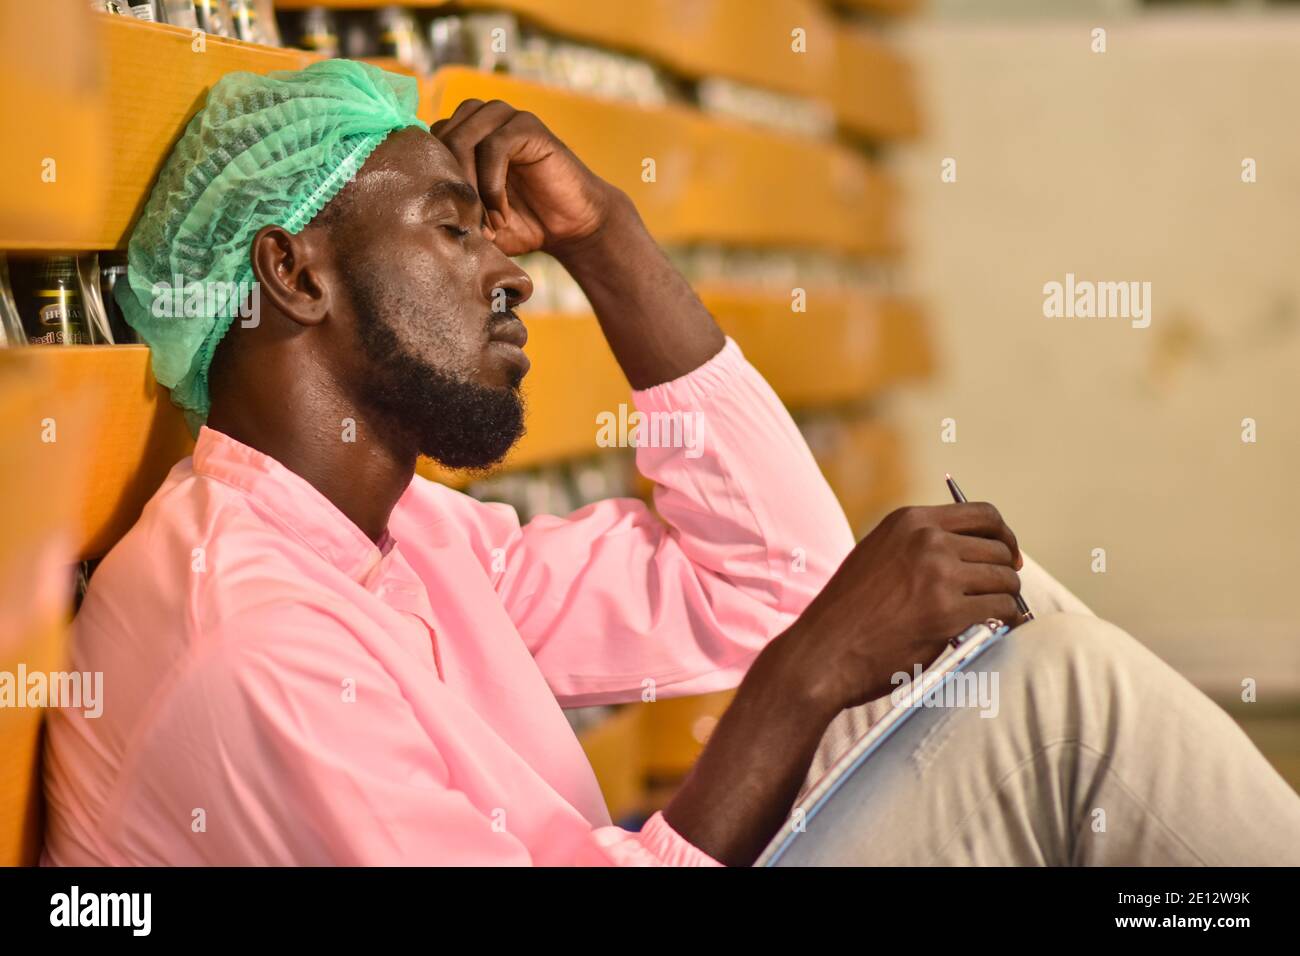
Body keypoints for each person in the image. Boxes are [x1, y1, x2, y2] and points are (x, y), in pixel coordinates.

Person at [41, 61, 1300, 868]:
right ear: (290, 271)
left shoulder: (395, 537)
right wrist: (803, 681)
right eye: (448, 225)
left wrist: (607, 235)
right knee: (1052, 697)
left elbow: (774, 580)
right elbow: (795, 637)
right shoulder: (250, 640)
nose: (505, 266)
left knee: (997, 627)